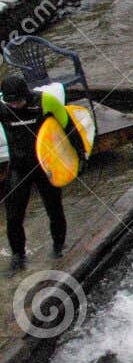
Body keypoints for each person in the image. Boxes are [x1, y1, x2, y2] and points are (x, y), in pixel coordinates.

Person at [0, 75, 84, 269]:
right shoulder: (3, 107)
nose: (15, 106)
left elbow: (69, 127)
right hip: (18, 167)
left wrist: (79, 157)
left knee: (54, 208)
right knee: (13, 216)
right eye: (11, 102)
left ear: (27, 95)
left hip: (47, 166)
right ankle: (18, 257)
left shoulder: (45, 101)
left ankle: (59, 246)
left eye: (19, 101)